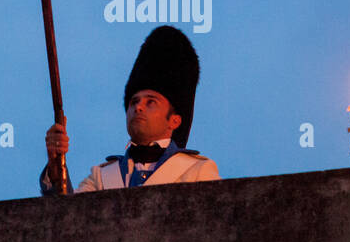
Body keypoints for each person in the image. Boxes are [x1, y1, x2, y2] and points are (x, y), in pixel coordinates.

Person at [39, 25, 219, 194]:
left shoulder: (198, 171)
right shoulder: (101, 177)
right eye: (133, 102)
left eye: (151, 102)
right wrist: (56, 165)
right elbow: (69, 219)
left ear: (174, 120)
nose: (138, 107)